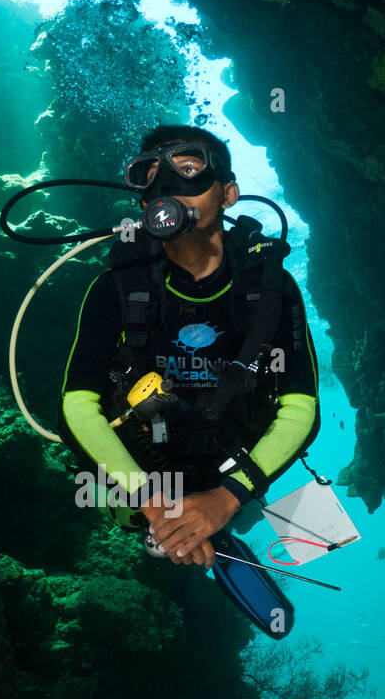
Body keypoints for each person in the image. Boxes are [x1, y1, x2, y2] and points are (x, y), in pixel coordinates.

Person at [56, 124, 320, 570]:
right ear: (143, 201)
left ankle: (233, 518)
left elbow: (301, 406)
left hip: (238, 465)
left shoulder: (272, 290)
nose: (167, 185)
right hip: (142, 466)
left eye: (190, 167)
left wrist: (229, 496)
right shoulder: (115, 288)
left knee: (267, 523)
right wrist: (149, 503)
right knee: (137, 529)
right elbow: (78, 405)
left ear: (228, 193)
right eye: (149, 174)